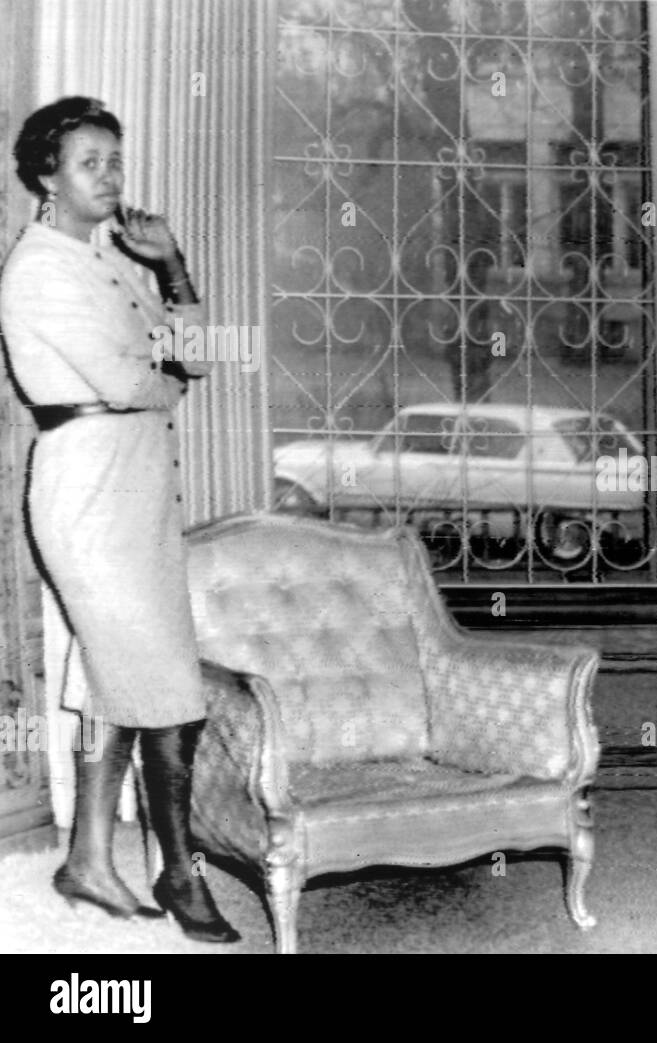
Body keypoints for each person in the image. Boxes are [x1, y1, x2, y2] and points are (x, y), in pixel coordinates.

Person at [0, 96, 239, 944]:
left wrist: (171, 263)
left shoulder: (113, 262)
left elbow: (199, 355)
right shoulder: (37, 268)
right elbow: (131, 379)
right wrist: (161, 373)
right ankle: (181, 873)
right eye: (90, 162)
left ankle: (88, 860)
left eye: (115, 159)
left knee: (118, 680)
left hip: (137, 487)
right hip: (88, 494)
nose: (110, 176)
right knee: (171, 695)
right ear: (44, 178)